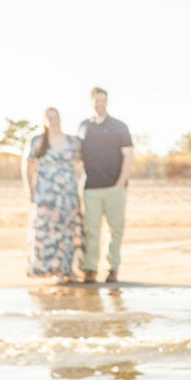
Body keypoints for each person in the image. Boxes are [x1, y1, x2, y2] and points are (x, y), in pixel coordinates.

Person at [77, 87, 134, 284]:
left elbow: (128, 156)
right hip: (90, 188)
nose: (99, 103)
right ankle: (91, 268)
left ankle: (112, 268)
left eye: (103, 100)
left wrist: (120, 183)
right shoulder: (83, 127)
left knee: (115, 229)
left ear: (107, 102)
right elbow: (78, 156)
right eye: (96, 100)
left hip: (114, 188)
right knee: (92, 230)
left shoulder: (119, 126)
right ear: (91, 101)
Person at [23, 108, 84, 284]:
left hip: (68, 193)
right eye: (50, 117)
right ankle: (48, 270)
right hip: (45, 193)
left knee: (68, 230)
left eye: (56, 117)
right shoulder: (37, 141)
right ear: (45, 120)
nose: (54, 120)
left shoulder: (73, 141)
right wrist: (30, 190)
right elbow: (28, 166)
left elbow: (85, 162)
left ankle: (67, 270)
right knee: (45, 231)